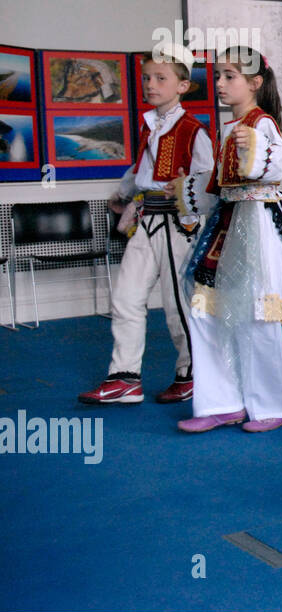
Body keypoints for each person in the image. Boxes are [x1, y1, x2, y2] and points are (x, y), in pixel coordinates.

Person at [80, 42, 213, 405]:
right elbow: (142, 168)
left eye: (160, 78)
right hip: (146, 219)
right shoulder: (149, 125)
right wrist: (123, 193)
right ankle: (124, 377)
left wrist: (186, 192)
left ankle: (192, 372)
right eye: (146, 78)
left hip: (178, 224)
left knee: (177, 305)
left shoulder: (193, 130)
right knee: (125, 297)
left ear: (182, 85)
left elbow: (209, 180)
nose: (150, 85)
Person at [180, 47, 282, 433]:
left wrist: (257, 151)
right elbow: (218, 184)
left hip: (257, 226)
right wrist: (183, 191)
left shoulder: (259, 124)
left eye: (229, 76)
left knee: (257, 314)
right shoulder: (230, 128)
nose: (219, 83)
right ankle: (222, 401)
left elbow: (279, 160)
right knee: (206, 310)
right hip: (227, 224)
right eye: (218, 76)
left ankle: (276, 404)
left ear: (254, 83)